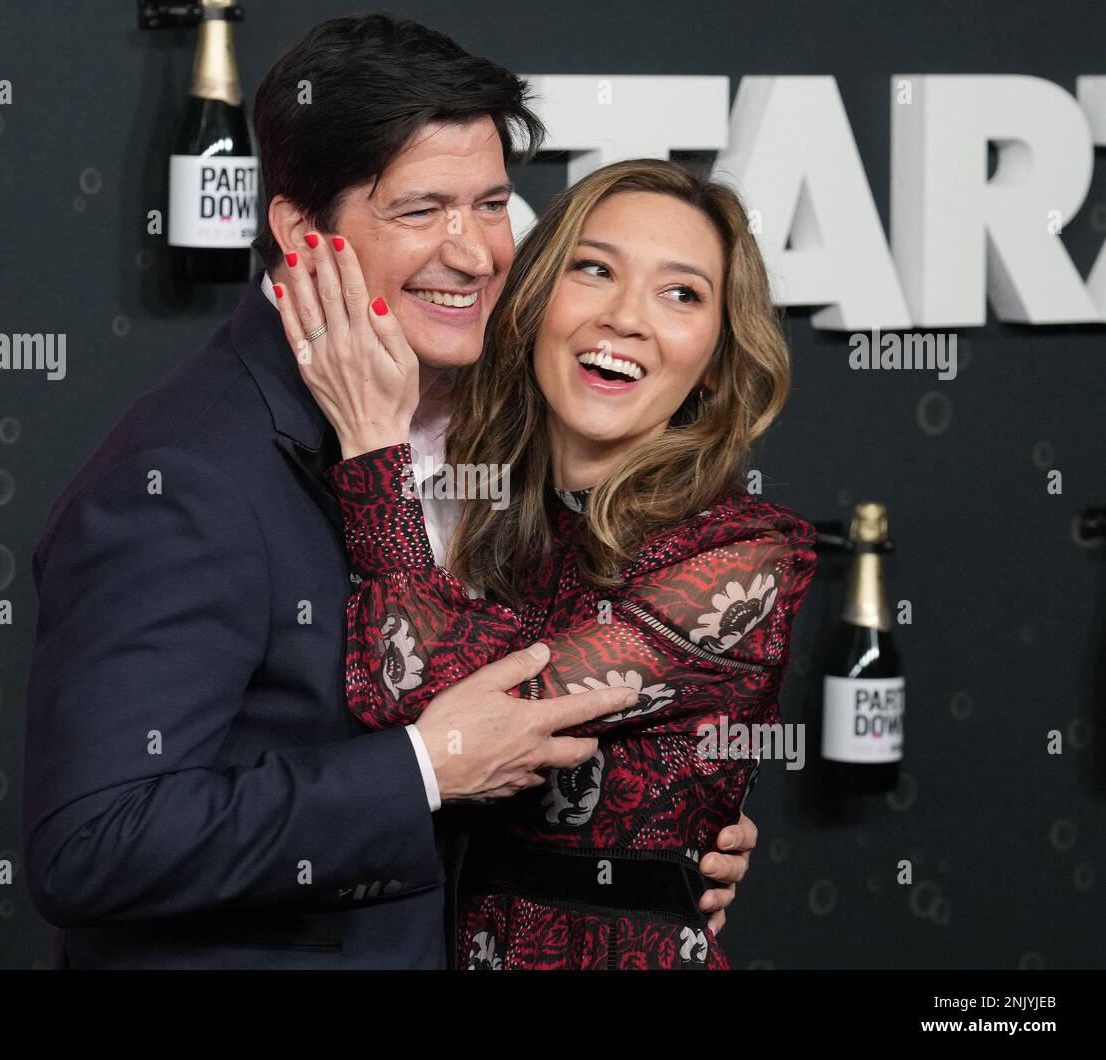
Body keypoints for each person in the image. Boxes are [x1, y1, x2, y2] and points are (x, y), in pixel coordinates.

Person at [23, 14, 758, 970]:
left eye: (491, 204)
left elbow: (518, 723)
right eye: (420, 212)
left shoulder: (508, 416)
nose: (475, 252)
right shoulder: (185, 481)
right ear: (299, 230)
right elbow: (93, 844)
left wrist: (647, 853)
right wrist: (421, 769)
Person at [276, 157, 815, 969]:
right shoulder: (484, 509)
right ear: (533, 302)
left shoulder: (744, 554)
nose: (627, 317)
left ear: (715, 357)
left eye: (681, 293)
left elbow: (422, 699)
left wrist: (372, 446)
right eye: (594, 270)